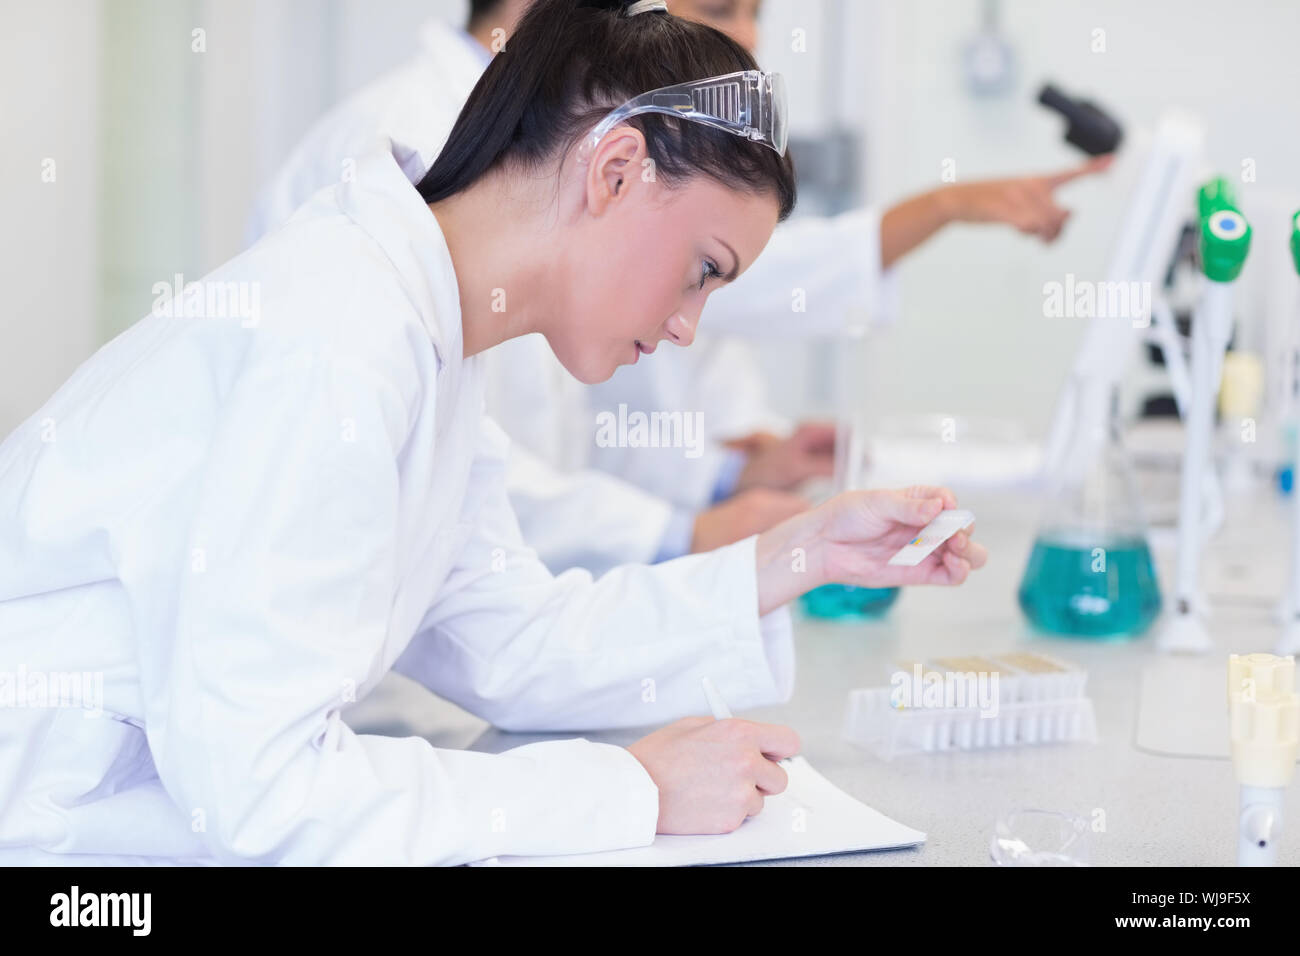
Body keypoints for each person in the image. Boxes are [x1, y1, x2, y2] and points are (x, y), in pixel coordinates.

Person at [0, 0, 987, 866]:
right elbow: (263, 796)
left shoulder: (426, 330)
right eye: (702, 268)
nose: (689, 324)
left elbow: (506, 640)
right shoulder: (340, 334)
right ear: (613, 169)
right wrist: (630, 792)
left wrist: (800, 552)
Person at [248, 0, 1110, 578]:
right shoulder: (432, 190)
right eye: (722, 7)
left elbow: (497, 598)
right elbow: (274, 792)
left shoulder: (522, 208)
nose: (748, 41)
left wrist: (767, 520)